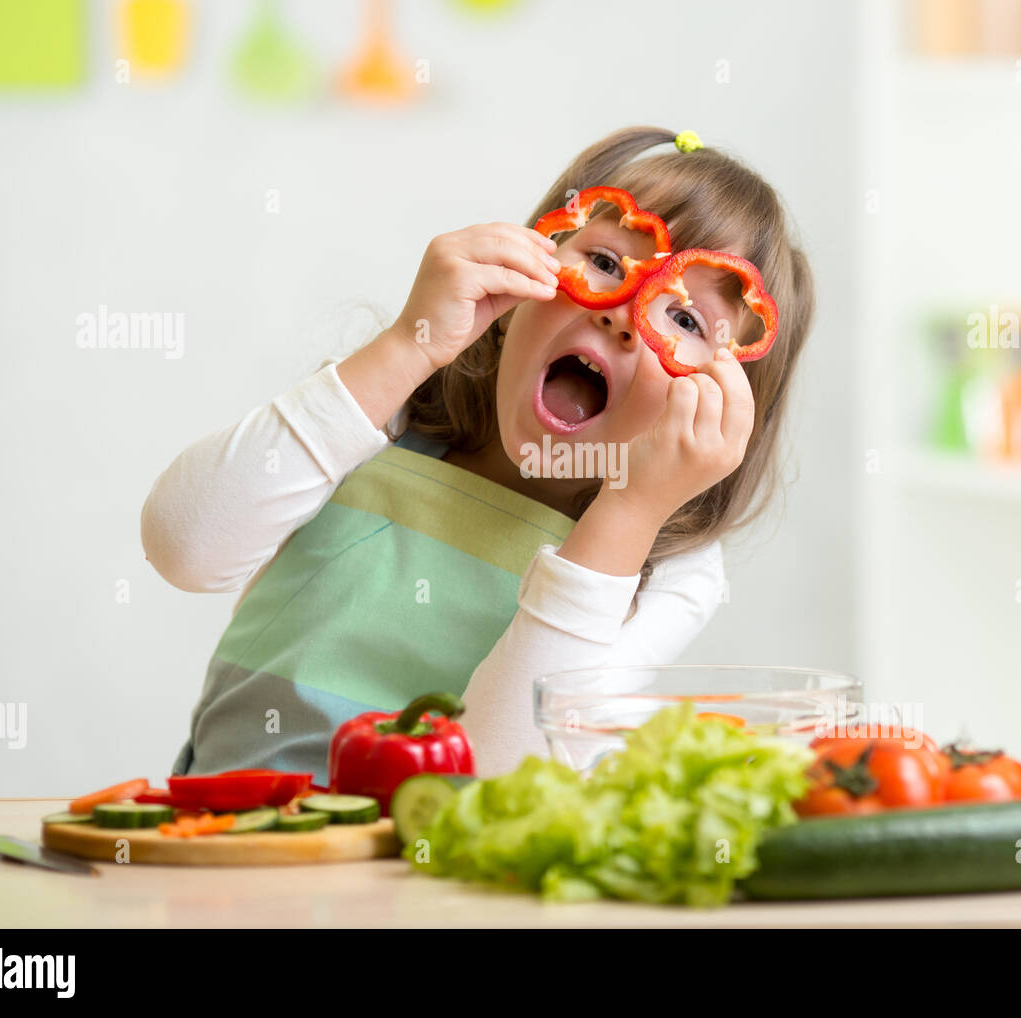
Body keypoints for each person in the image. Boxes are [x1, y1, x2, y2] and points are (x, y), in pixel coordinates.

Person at [141, 126, 815, 780]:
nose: (622, 314)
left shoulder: (673, 569)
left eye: (686, 319)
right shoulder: (387, 410)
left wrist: (630, 510)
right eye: (605, 262)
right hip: (217, 847)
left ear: (725, 403)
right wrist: (409, 341)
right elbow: (184, 548)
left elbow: (502, 772)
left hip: (430, 889)